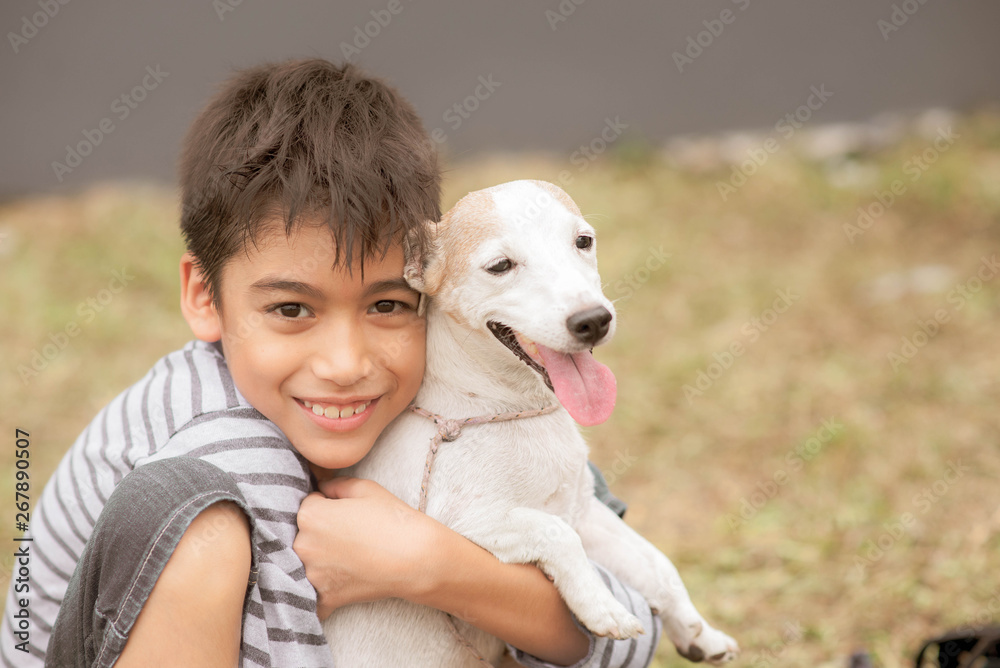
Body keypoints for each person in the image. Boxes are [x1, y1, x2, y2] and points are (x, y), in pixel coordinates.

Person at [0, 58, 660, 667]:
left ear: (435, 280)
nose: (345, 365)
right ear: (205, 296)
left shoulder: (453, 392)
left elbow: (636, 626)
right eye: (292, 310)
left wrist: (432, 565)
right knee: (198, 518)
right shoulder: (224, 449)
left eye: (389, 306)